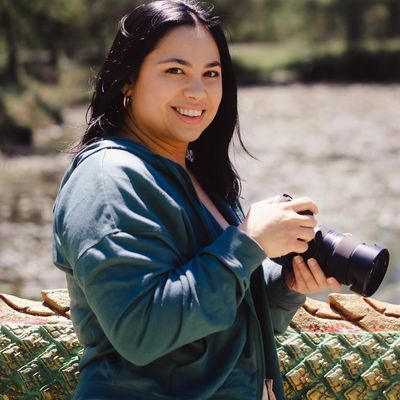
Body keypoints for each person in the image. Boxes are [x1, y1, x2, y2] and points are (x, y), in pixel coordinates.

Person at [52, 1, 341, 399]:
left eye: (211, 73)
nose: (198, 91)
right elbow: (142, 332)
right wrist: (248, 243)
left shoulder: (197, 177)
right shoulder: (107, 179)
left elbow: (226, 333)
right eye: (175, 70)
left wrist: (286, 284)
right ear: (127, 79)